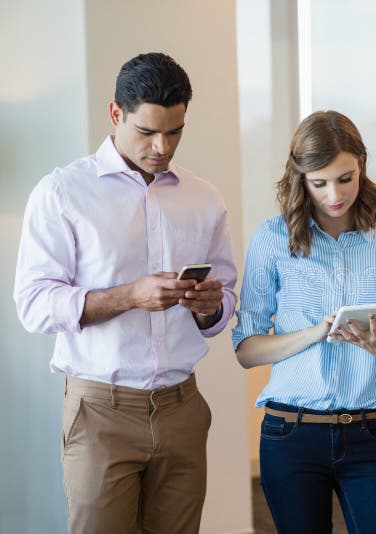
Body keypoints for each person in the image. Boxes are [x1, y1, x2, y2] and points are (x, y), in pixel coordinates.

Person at [13, 52, 238, 533]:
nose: (162, 146)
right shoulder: (62, 193)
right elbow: (33, 304)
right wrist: (129, 296)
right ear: (116, 115)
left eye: (175, 131)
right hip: (100, 410)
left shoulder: (204, 198)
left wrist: (211, 306)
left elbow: (226, 304)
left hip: (182, 407)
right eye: (147, 131)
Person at [232, 110, 376, 534]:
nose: (335, 194)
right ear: (300, 178)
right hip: (290, 434)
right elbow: (247, 350)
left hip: (371, 432)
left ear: (362, 164)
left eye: (346, 177)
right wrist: (315, 333)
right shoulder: (272, 238)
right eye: (319, 183)